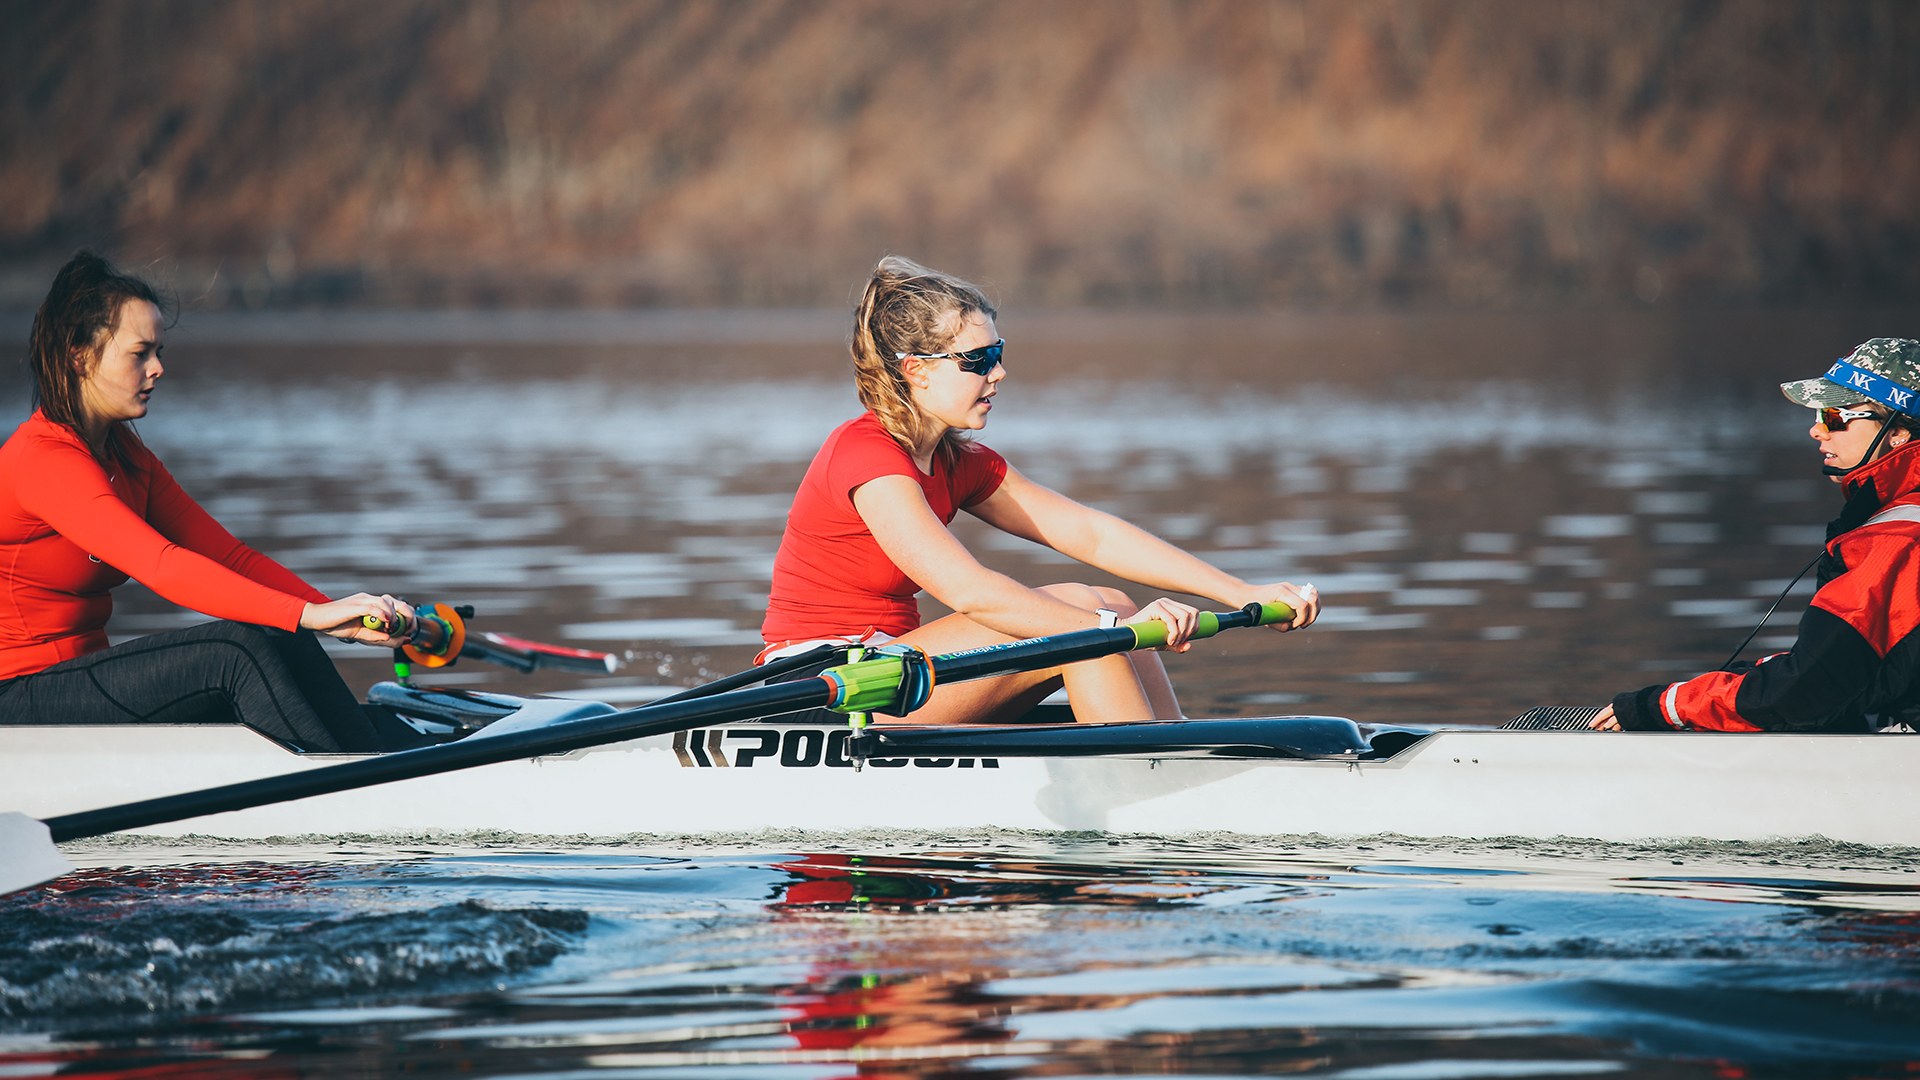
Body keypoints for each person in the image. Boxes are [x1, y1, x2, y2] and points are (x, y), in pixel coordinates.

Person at [758, 256, 1319, 725]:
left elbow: (1092, 535)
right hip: (827, 683)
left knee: (1108, 604)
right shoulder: (866, 456)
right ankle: (1147, 782)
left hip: (898, 671)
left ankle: (1171, 751)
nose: (997, 374)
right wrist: (1116, 634)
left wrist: (1239, 590)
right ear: (916, 370)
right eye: (977, 360)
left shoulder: (961, 462)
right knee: (1088, 619)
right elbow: (972, 593)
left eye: (998, 355)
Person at [0, 250, 427, 752]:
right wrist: (308, 614)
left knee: (279, 630)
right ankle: (343, 787)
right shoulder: (43, 460)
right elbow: (162, 565)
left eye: (159, 351)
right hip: (20, 698)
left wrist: (335, 616)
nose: (158, 368)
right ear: (79, 355)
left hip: (81, 679)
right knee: (234, 649)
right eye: (140, 354)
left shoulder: (127, 457)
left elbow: (231, 558)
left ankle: (369, 765)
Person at [1594, 338, 1920, 733]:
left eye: (1835, 415)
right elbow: (1863, 669)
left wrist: (1667, 705)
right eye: (1820, 412)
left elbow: (1806, 690)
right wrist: (1757, 675)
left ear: (1899, 431)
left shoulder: (1895, 542)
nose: (1817, 429)